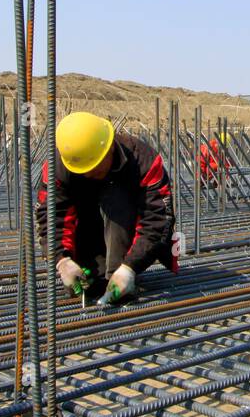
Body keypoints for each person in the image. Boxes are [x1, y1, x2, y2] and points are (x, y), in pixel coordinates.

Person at [36, 111, 177, 306]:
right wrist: (61, 260)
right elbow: (51, 216)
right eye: (84, 170)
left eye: (94, 167)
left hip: (125, 230)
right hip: (88, 226)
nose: (89, 174)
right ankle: (97, 269)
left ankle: (119, 272)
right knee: (86, 285)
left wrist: (130, 267)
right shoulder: (59, 167)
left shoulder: (143, 160)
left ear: (109, 148)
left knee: (115, 196)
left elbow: (157, 220)